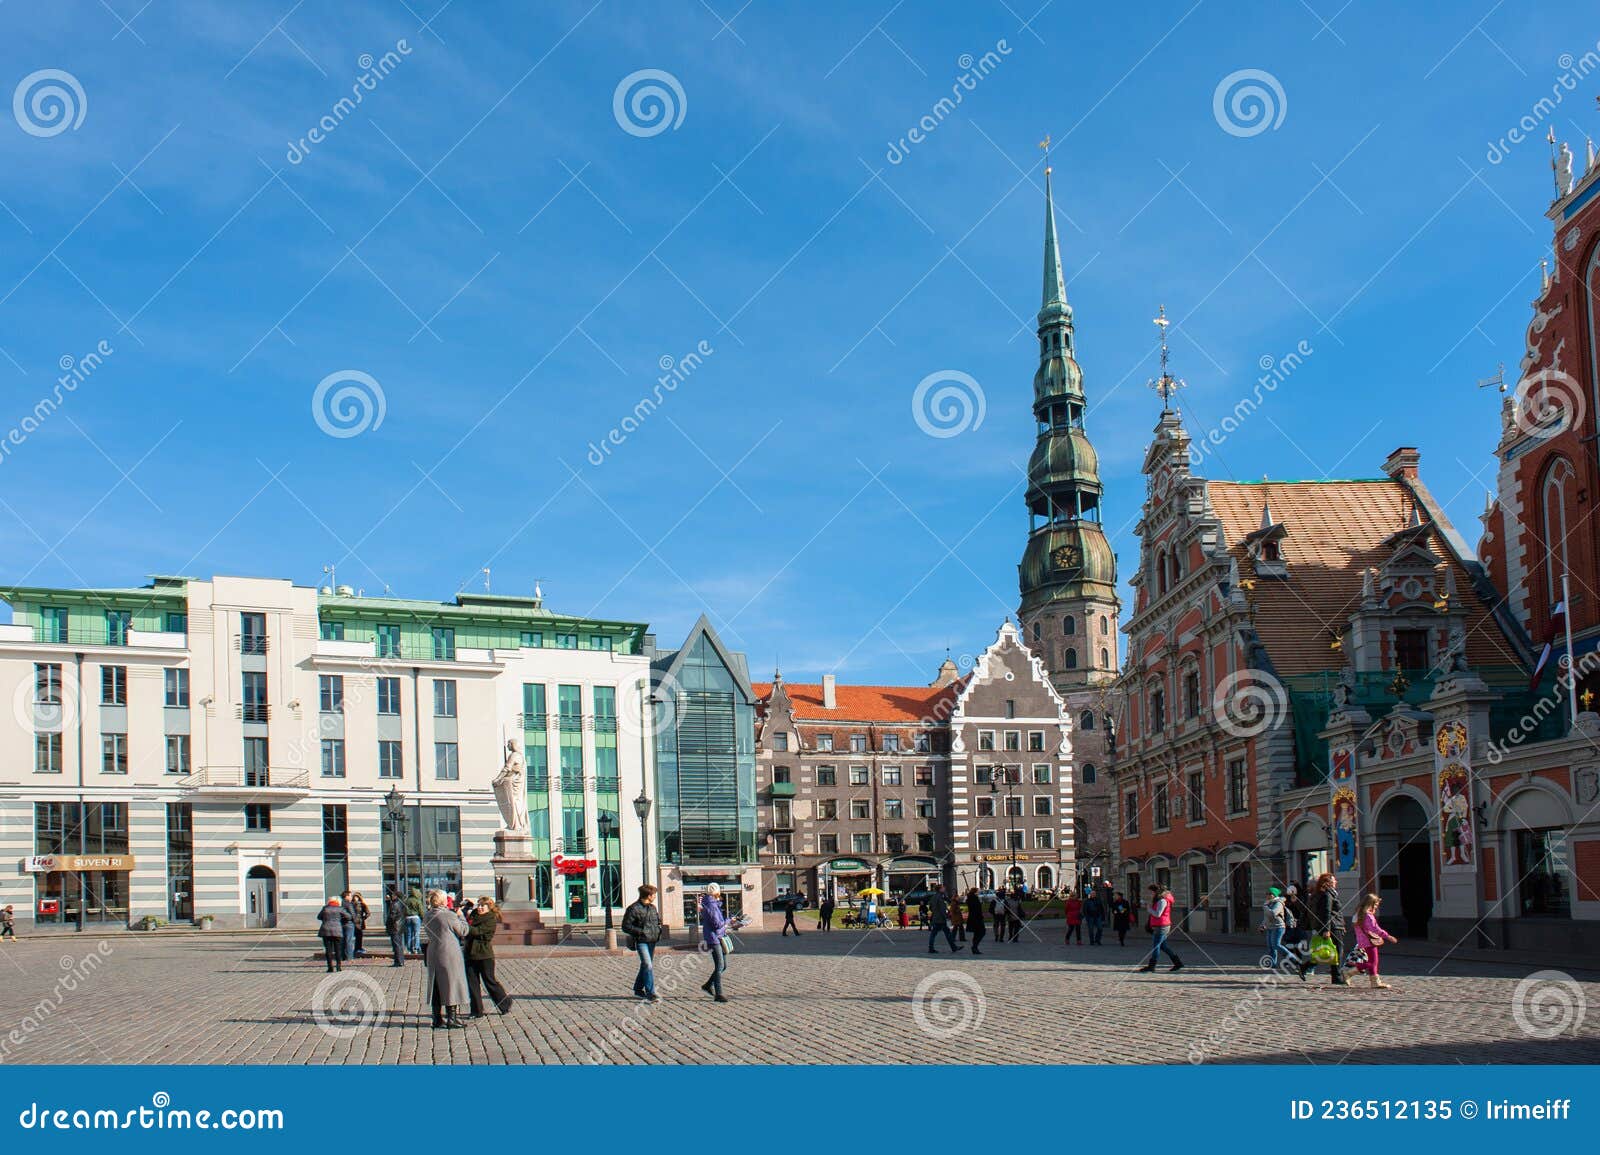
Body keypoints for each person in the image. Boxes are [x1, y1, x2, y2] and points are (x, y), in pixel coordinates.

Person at [423, 889, 470, 1028]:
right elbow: (463, 931)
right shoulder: (448, 915)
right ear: (443, 900)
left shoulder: (427, 914)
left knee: (436, 985)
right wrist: (461, 916)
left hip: (433, 951)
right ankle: (451, 1018)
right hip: (449, 952)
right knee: (451, 983)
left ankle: (437, 1018)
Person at [465, 897, 512, 1017]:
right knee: (472, 983)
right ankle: (476, 1010)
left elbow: (477, 931)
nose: (479, 908)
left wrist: (464, 925)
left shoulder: (491, 919)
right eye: (479, 905)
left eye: (482, 906)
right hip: (470, 954)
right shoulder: (473, 915)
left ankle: (504, 1003)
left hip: (484, 955)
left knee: (489, 981)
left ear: (489, 907)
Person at [1298, 872, 1348, 985]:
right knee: (1337, 951)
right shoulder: (1327, 894)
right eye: (1334, 880)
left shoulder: (1325, 894)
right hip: (1333, 926)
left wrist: (1342, 925)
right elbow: (1326, 912)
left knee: (1327, 951)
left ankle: (1305, 967)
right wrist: (1326, 929)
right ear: (1328, 882)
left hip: (1335, 925)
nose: (1336, 882)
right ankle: (1336, 977)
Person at [621, 884, 663, 1001]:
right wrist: (641, 932)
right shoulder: (633, 908)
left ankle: (638, 989)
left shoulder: (653, 908)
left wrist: (658, 930)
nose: (655, 896)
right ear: (648, 895)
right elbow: (625, 926)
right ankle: (651, 993)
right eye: (653, 894)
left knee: (645, 965)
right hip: (641, 941)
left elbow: (657, 922)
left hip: (652, 941)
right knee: (648, 965)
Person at [1350, 892, 1398, 990]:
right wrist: (1388, 936)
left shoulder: (1358, 914)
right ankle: (1349, 970)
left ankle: (1375, 982)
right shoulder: (1368, 915)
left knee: (1372, 962)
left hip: (1363, 940)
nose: (1376, 907)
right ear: (1370, 904)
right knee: (1373, 962)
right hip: (1369, 940)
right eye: (1375, 904)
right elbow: (1375, 928)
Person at [1136, 884, 1183, 973]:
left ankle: (1152, 966)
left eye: (1152, 892)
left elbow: (1158, 914)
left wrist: (1149, 909)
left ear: (1157, 892)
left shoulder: (1162, 901)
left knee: (1156, 947)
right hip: (1160, 925)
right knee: (1163, 946)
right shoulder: (1160, 900)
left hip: (1161, 926)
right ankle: (1178, 963)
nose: (1151, 894)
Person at [698, 883, 731, 1003]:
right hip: (714, 938)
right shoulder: (711, 905)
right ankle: (719, 994)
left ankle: (707, 985)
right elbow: (717, 924)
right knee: (720, 965)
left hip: (717, 936)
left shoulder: (711, 903)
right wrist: (728, 921)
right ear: (716, 892)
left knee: (723, 965)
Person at [316, 896, 351, 972]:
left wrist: (325, 919)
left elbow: (319, 917)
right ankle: (338, 966)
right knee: (338, 949)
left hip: (326, 930)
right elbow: (349, 917)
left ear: (329, 902)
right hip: (337, 930)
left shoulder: (325, 908)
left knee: (328, 950)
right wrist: (340, 919)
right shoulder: (340, 909)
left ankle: (330, 967)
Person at [1261, 886, 1291, 969]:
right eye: (1267, 893)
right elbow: (1267, 917)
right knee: (1270, 947)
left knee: (1276, 945)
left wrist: (1265, 907)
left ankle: (1291, 957)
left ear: (1274, 895)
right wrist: (1263, 925)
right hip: (1270, 927)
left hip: (1278, 927)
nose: (1267, 895)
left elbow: (1272, 914)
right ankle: (1272, 963)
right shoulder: (1268, 903)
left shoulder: (1278, 903)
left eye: (1270, 894)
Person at [927, 884, 960, 954]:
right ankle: (953, 947)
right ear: (940, 889)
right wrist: (946, 916)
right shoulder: (940, 897)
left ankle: (953, 947)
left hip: (936, 917)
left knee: (937, 933)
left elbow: (930, 907)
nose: (944, 889)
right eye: (943, 888)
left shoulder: (934, 897)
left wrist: (935, 912)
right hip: (941, 919)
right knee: (941, 933)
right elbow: (942, 909)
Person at [383, 886, 407, 967]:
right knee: (399, 944)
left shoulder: (395, 904)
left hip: (395, 926)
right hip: (400, 926)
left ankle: (398, 961)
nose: (392, 896)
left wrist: (388, 922)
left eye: (393, 895)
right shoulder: (402, 903)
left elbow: (392, 916)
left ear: (396, 896)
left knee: (396, 945)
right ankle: (400, 961)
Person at [965, 888, 986, 955]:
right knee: (981, 932)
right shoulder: (974, 898)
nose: (979, 892)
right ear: (975, 892)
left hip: (973, 918)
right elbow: (976, 908)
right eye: (978, 891)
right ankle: (974, 946)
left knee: (977, 933)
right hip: (976, 918)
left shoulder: (971, 898)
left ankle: (975, 947)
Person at [404, 887, 424, 955]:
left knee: (409, 934)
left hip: (407, 918)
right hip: (416, 917)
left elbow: (403, 910)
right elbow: (421, 911)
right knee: (416, 934)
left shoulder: (407, 900)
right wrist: (423, 917)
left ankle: (409, 949)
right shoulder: (417, 900)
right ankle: (416, 948)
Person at [350, 891, 370, 957]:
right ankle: (352, 948)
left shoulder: (362, 904)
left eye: (357, 897)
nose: (356, 898)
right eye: (355, 897)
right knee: (351, 936)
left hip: (359, 923)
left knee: (359, 936)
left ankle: (358, 948)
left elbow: (368, 913)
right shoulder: (351, 904)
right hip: (353, 922)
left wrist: (363, 918)